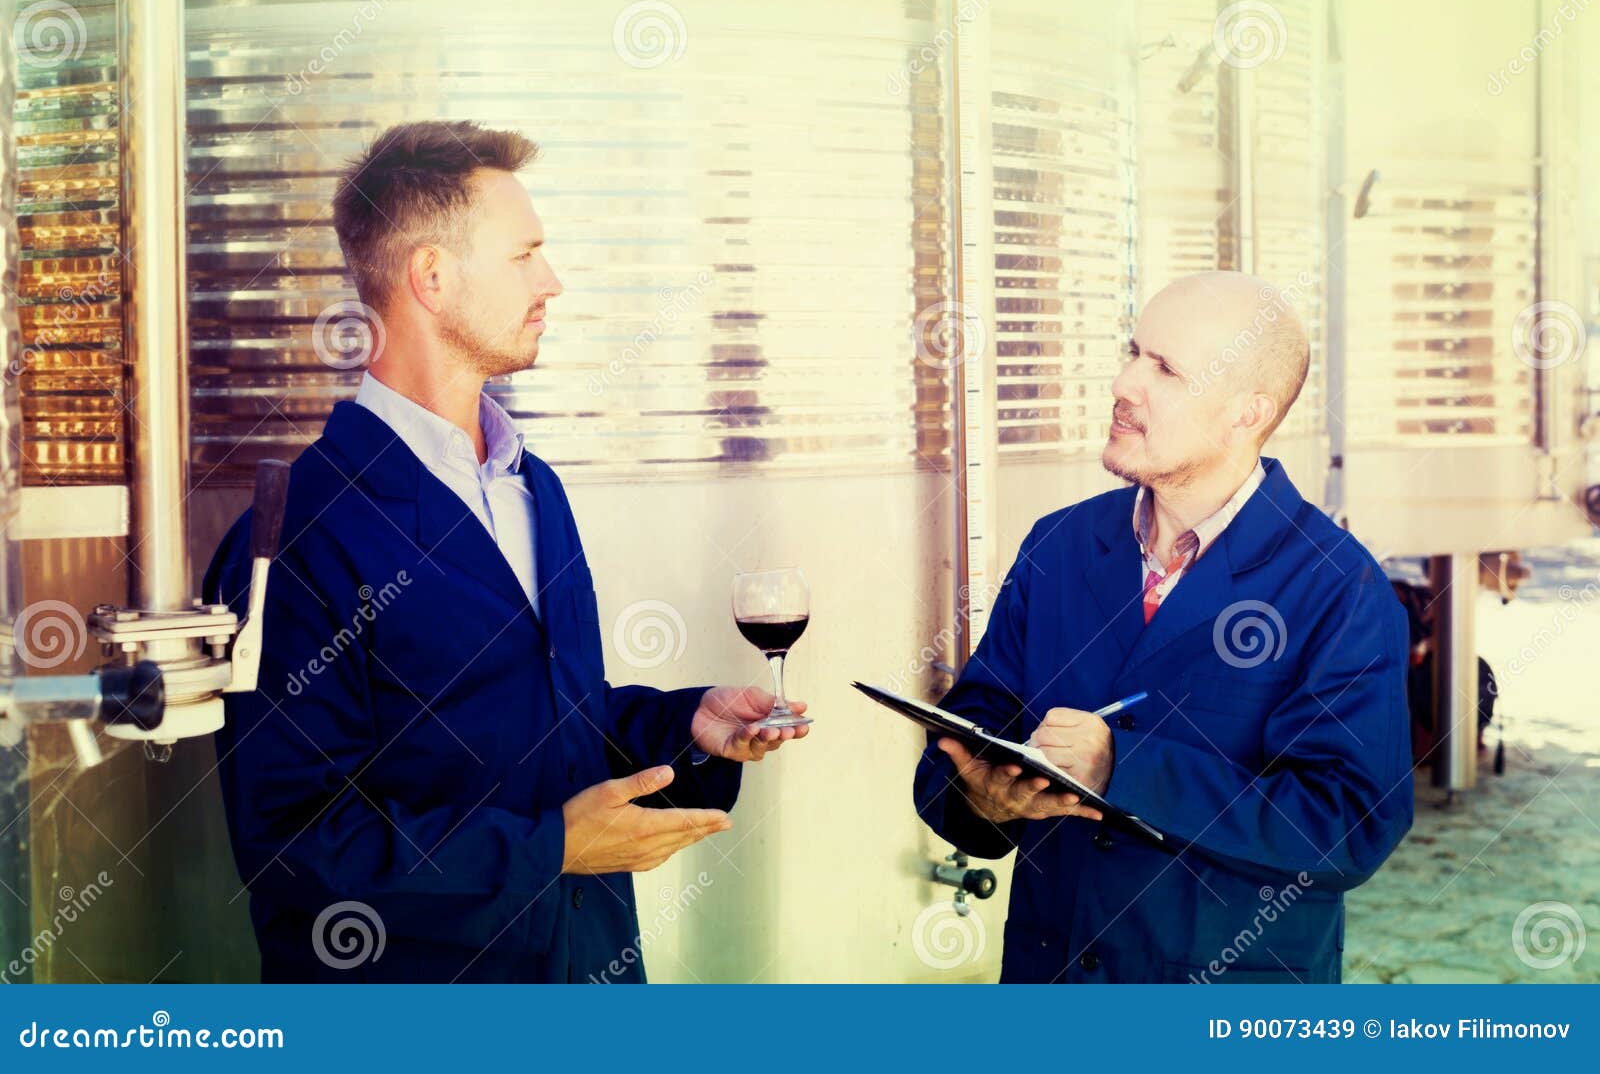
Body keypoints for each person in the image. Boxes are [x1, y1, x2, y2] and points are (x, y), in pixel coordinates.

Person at [204, 120, 808, 983]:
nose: (551, 281)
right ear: (431, 276)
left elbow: (546, 724)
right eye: (524, 255)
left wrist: (686, 731)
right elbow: (294, 844)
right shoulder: (298, 535)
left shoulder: (531, 486)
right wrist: (550, 849)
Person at [914, 271, 1413, 983]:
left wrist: (1125, 768)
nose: (1124, 383)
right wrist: (981, 795)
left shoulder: (1339, 588)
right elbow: (971, 729)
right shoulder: (1059, 545)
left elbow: (1349, 825)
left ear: (1245, 413)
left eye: (1165, 370)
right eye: (1133, 353)